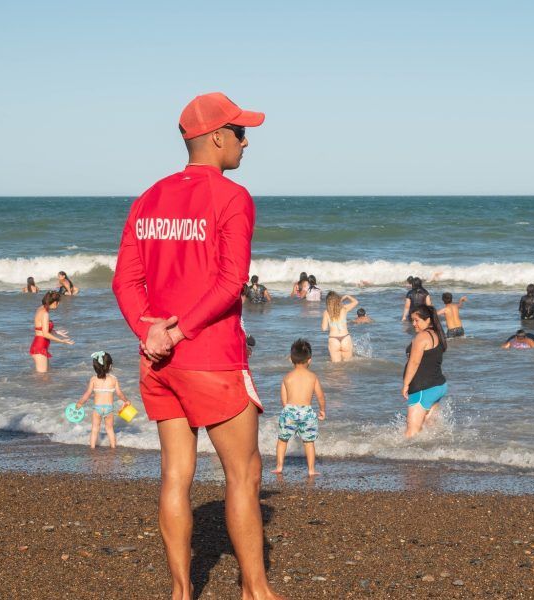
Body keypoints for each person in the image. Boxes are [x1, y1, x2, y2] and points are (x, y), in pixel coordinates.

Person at [110, 92, 282, 600]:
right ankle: (255, 590)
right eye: (240, 132)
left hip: (157, 360)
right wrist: (180, 332)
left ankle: (181, 592)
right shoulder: (232, 196)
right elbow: (231, 283)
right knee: (244, 472)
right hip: (209, 358)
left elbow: (125, 281)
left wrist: (151, 333)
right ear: (215, 138)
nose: (246, 143)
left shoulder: (148, 198)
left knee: (175, 475)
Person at [272, 339, 326, 476]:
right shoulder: (313, 377)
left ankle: (279, 467)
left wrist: (288, 411)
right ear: (310, 360)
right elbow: (320, 396)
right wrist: (322, 410)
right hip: (307, 411)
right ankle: (311, 470)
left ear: (291, 359)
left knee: (282, 440)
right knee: (309, 442)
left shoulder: (287, 377)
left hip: (290, 410)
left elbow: (284, 400)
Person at [402, 305, 447, 438]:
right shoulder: (437, 334)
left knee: (411, 433)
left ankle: (406, 457)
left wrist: (405, 384)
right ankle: (432, 456)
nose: (414, 324)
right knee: (430, 431)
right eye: (412, 320)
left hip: (423, 388)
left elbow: (414, 363)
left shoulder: (422, 337)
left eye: (417, 320)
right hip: (438, 386)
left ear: (428, 320)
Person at [75, 351, 133, 449]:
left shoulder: (93, 379)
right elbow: (119, 394)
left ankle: (92, 448)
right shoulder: (114, 379)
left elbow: (88, 394)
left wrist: (80, 403)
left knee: (94, 429)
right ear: (110, 366)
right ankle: (113, 447)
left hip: (97, 408)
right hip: (109, 409)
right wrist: (126, 401)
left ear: (95, 366)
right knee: (110, 429)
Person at [30, 291, 73, 373]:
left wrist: (56, 332)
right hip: (40, 347)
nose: (58, 304)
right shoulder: (45, 313)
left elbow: (41, 328)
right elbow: (45, 334)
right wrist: (62, 341)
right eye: (58, 302)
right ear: (54, 302)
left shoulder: (41, 308)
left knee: (46, 375)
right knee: (42, 377)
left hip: (40, 346)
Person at [321, 291, 359, 362]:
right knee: (348, 364)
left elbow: (324, 328)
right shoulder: (344, 308)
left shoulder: (326, 312)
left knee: (336, 367)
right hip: (345, 338)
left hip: (333, 339)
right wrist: (347, 296)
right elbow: (356, 302)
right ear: (338, 299)